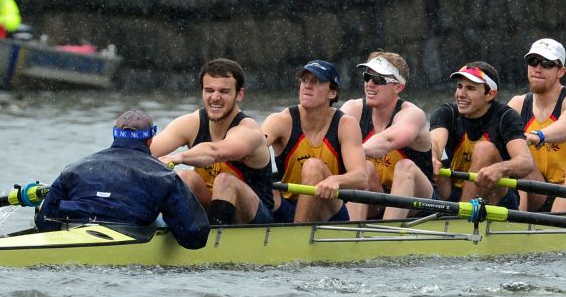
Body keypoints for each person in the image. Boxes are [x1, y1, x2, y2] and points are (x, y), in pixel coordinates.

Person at [35, 109, 209, 249]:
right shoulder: (163, 176)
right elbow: (194, 238)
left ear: (115, 135)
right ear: (150, 140)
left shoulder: (75, 168)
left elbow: (45, 222)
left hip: (72, 231)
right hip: (129, 236)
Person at [152, 58, 276, 226]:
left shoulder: (249, 131)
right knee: (185, 177)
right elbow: (145, 151)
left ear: (239, 94)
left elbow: (215, 152)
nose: (215, 98)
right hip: (212, 208)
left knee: (225, 181)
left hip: (255, 219)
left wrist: (179, 157)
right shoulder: (191, 123)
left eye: (224, 91)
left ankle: (212, 243)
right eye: (209, 90)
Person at [263, 60, 368, 223]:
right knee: (263, 187)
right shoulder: (280, 121)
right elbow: (254, 148)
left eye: (316, 81)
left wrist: (335, 180)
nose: (307, 86)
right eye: (304, 80)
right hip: (289, 206)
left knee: (313, 166)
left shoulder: (345, 125)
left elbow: (361, 178)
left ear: (332, 93)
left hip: (328, 212)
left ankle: (298, 237)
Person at [506, 38, 566, 212]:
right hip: (539, 190)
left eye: (547, 64)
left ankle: (556, 229)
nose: (538, 68)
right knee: (520, 159)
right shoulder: (517, 104)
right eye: (533, 61)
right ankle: (515, 223)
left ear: (560, 71)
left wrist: (538, 136)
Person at [339, 52, 434, 220]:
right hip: (376, 199)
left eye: (378, 80)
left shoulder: (412, 114)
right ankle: (351, 235)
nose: (369, 84)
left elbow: (388, 140)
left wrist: (351, 152)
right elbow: (330, 140)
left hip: (417, 203)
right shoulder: (353, 109)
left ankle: (387, 236)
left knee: (405, 167)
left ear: (398, 87)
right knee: (365, 169)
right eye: (367, 77)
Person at [430, 61, 533, 207]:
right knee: (422, 156)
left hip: (496, 199)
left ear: (490, 94)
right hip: (452, 192)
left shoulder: (506, 117)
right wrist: (433, 156)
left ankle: (461, 220)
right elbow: (435, 142)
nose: (461, 94)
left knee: (484, 149)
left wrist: (499, 168)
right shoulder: (447, 112)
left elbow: (526, 162)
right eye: (459, 86)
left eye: (470, 88)